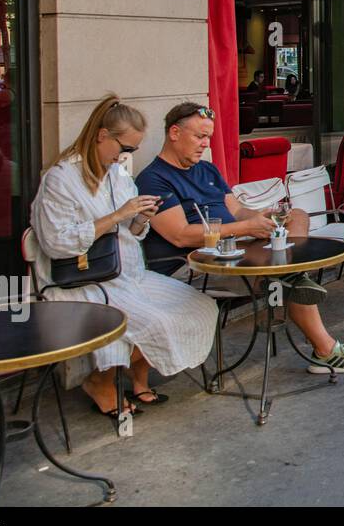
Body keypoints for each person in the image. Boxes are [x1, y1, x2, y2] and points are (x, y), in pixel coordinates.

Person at [136, 103, 344, 375]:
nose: (204, 144)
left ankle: (292, 274)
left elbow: (235, 210)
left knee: (296, 215)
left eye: (208, 138)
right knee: (284, 277)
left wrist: (262, 217)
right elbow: (179, 236)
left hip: (236, 250)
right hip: (196, 265)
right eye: (199, 136)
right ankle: (324, 346)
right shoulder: (153, 180)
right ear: (174, 133)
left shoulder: (207, 170)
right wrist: (245, 227)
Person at [29, 95, 218, 417]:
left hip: (126, 272)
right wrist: (117, 216)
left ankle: (136, 377)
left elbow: (131, 233)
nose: (127, 157)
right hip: (82, 279)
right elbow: (55, 243)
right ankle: (100, 382)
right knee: (156, 320)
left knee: (199, 305)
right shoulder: (61, 179)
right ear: (103, 135)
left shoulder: (115, 174)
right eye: (126, 149)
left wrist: (141, 217)